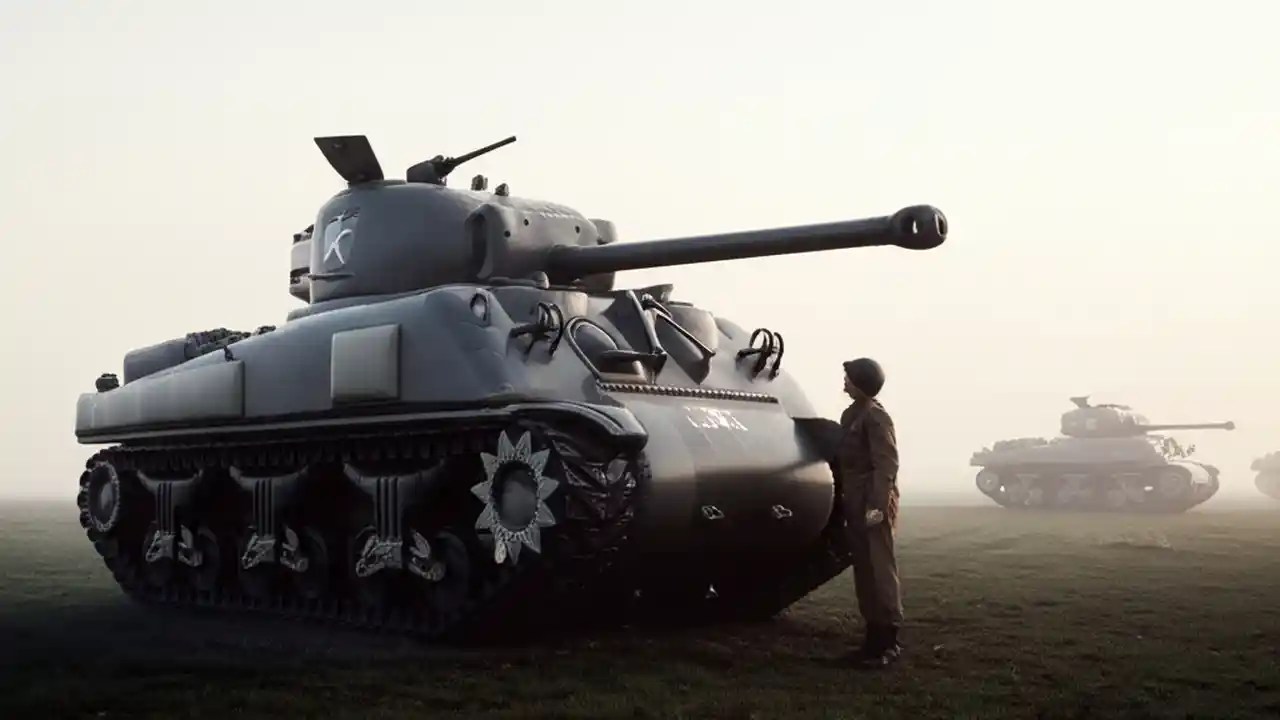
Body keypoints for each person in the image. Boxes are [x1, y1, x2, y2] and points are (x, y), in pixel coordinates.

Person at [835, 357, 903, 668]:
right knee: (864, 571)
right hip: (855, 500)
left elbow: (886, 465)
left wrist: (877, 507)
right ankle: (872, 639)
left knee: (880, 571)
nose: (844, 381)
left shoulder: (876, 417)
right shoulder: (852, 415)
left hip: (872, 501)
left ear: (861, 382)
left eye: (849, 377)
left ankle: (888, 642)